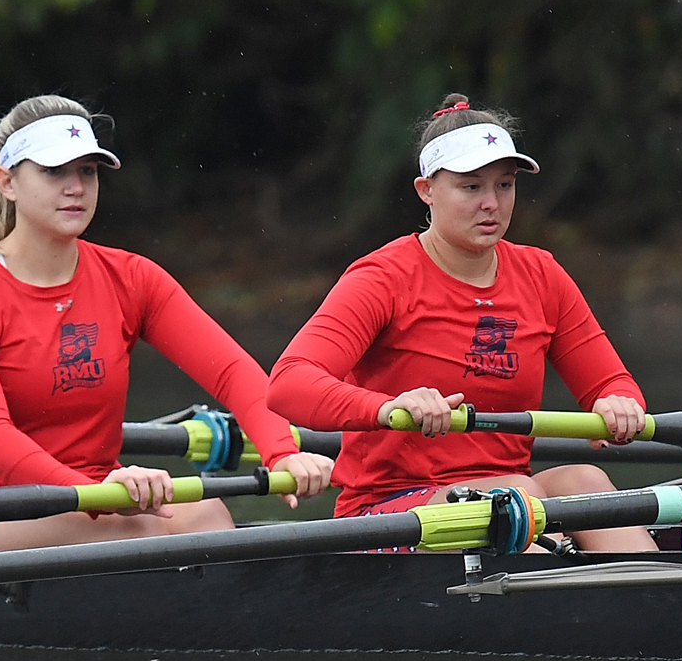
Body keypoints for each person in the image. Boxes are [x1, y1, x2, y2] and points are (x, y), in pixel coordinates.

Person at [0, 95, 335, 552]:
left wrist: (282, 452)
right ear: (8, 183)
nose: (76, 187)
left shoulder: (132, 279)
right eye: (55, 171)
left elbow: (233, 372)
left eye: (88, 171)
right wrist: (98, 497)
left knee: (208, 513)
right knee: (140, 532)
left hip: (102, 502)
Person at [267, 94, 657, 552]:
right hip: (387, 514)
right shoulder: (382, 278)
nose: (492, 203)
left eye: (505, 185)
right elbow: (288, 384)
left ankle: (651, 600)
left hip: (508, 497)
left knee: (584, 478)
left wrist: (620, 405)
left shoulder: (542, 275)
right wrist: (387, 407)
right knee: (515, 496)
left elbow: (612, 383)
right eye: (471, 187)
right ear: (426, 190)